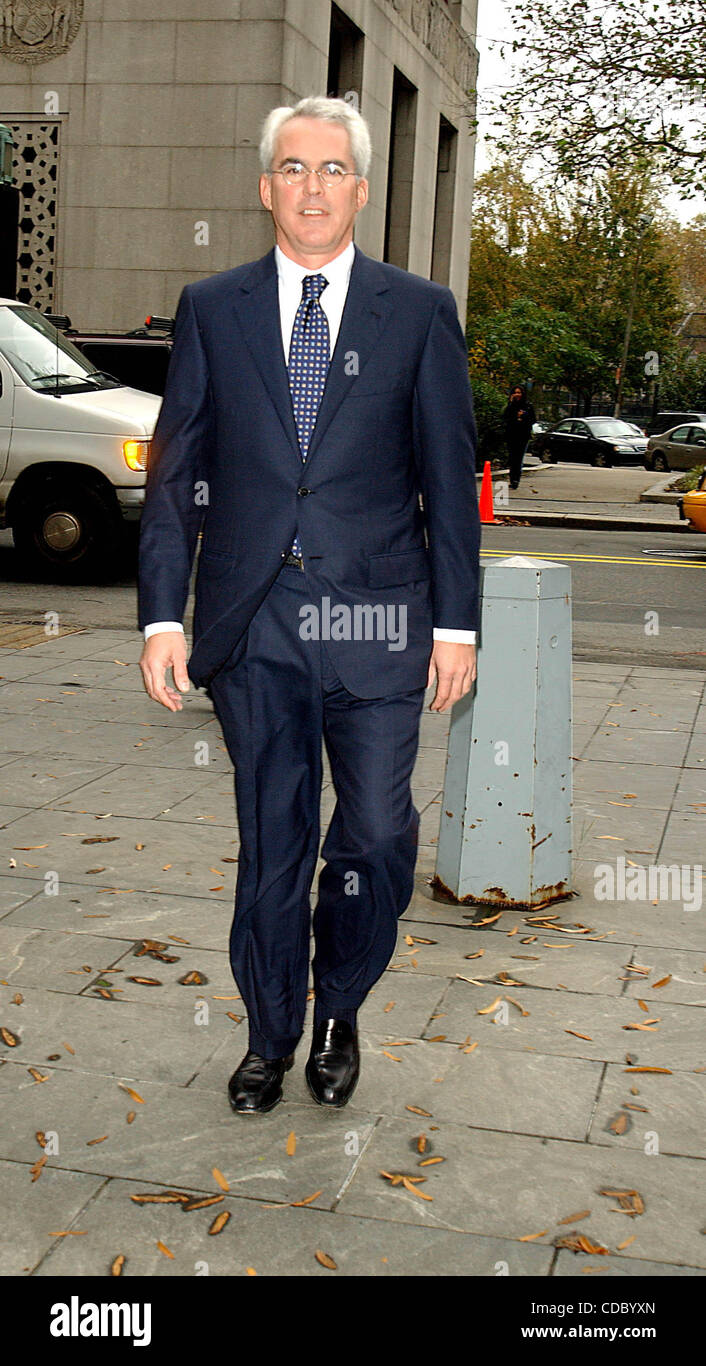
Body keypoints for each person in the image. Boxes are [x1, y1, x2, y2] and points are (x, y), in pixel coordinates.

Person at [138, 96, 480, 1115]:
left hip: (378, 622)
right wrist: (164, 615)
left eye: (333, 169)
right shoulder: (214, 306)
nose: (313, 187)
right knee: (273, 838)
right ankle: (272, 1032)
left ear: (361, 189)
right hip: (254, 625)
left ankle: (342, 1007)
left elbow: (447, 476)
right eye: (293, 168)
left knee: (373, 832)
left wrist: (455, 625)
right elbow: (175, 470)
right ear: (265, 188)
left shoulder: (416, 314)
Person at [502, 383, 536, 489]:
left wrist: (524, 416)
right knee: (512, 458)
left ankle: (516, 479)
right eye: (515, 393)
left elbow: (533, 420)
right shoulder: (510, 406)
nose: (517, 395)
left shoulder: (528, 406)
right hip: (511, 435)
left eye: (519, 393)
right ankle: (512, 478)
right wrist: (510, 403)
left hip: (523, 435)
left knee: (518, 458)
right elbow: (505, 417)